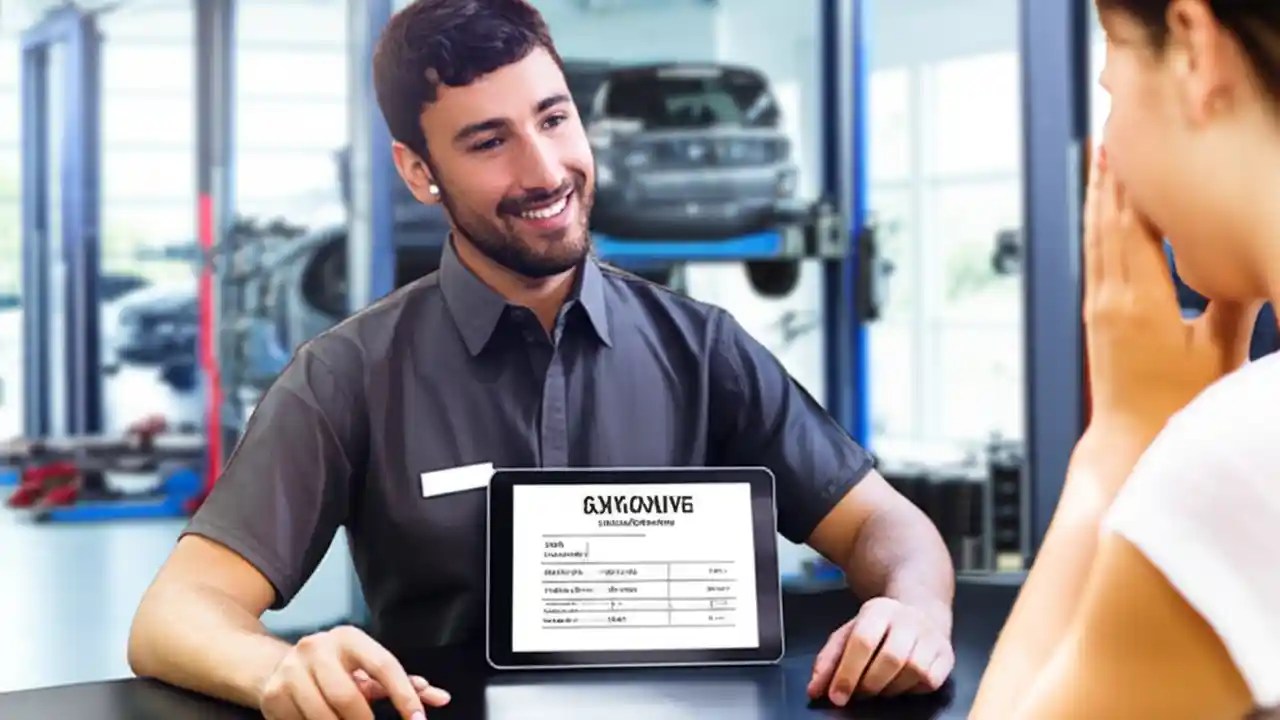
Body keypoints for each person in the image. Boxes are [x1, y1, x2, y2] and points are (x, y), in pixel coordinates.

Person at [125, 1, 957, 718]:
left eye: (554, 119)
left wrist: (915, 610)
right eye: (489, 141)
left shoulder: (705, 350)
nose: (546, 170)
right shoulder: (347, 376)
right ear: (418, 171)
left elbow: (884, 525)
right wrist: (278, 668)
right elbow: (177, 613)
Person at [973, 0, 1280, 717]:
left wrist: (1122, 442)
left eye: (1110, 80)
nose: (1109, 141)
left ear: (1194, 48)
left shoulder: (1243, 455)